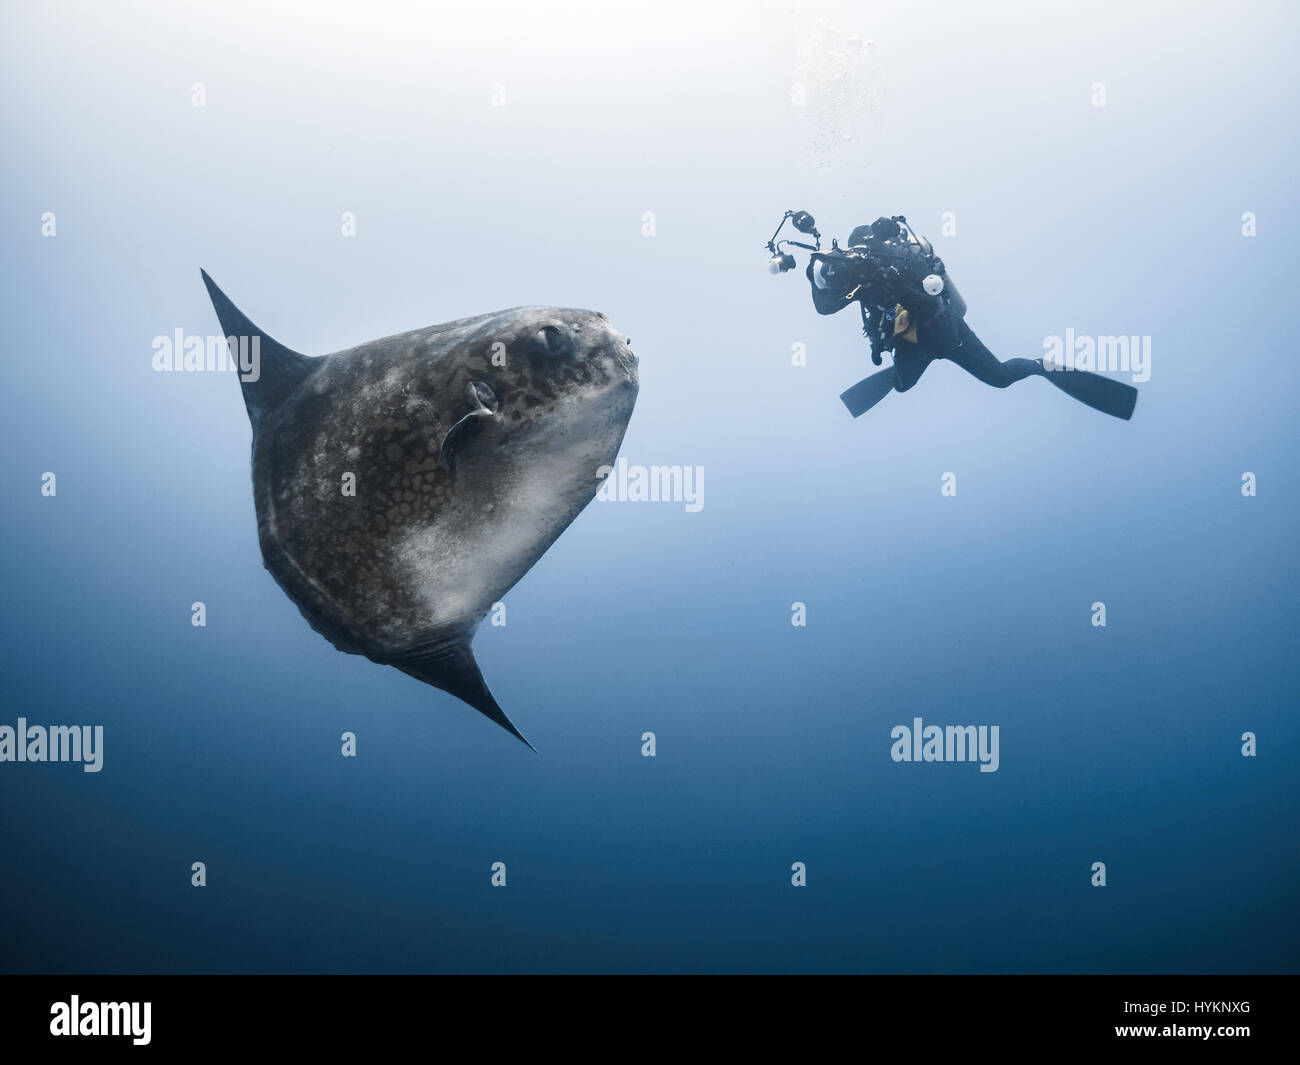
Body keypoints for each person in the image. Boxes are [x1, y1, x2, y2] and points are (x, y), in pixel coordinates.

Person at [808, 215, 1138, 419]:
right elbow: (825, 307)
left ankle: (1041, 366)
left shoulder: (903, 257)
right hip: (913, 340)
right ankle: (902, 370)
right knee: (902, 386)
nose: (864, 255)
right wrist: (816, 277)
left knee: (1000, 378)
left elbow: (926, 302)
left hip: (946, 329)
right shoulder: (860, 280)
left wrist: (891, 286)